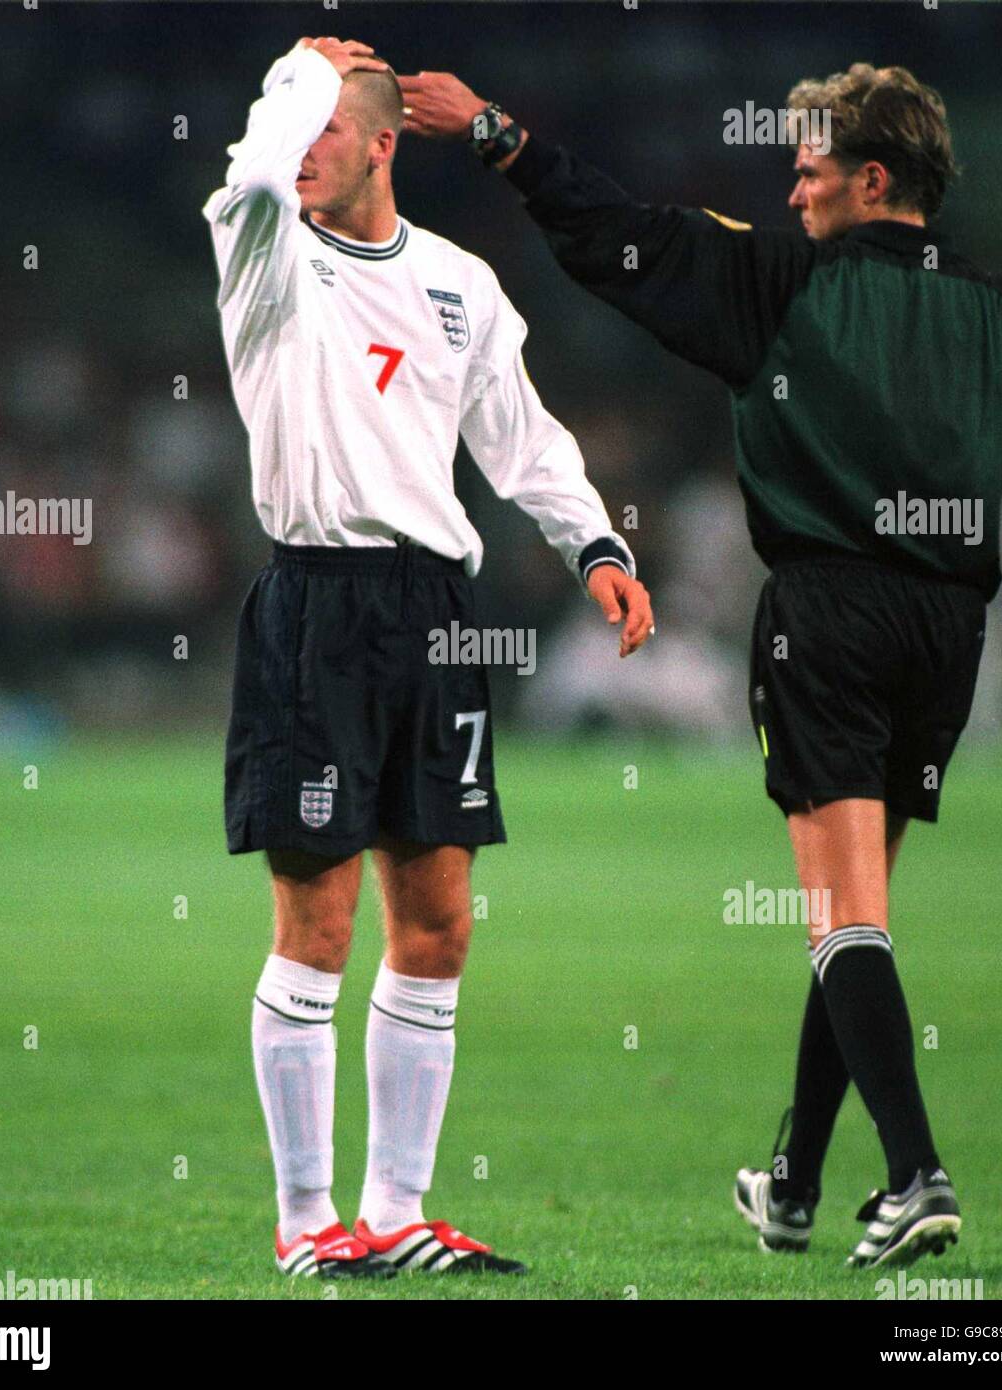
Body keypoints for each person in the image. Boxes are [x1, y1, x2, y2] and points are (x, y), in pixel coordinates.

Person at [399, 61, 1002, 1269]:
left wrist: (496, 134)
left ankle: (913, 1173)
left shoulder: (780, 281)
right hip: (947, 638)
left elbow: (615, 237)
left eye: (809, 164)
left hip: (826, 614)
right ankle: (797, 1183)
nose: (791, 183)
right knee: (852, 913)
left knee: (840, 918)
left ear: (871, 180)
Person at [203, 36, 654, 1280]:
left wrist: (594, 544)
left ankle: (395, 1210)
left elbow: (519, 435)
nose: (302, 154)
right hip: (316, 608)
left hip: (433, 616)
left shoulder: (458, 283)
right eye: (295, 130)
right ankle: (306, 1221)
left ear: (384, 144)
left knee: (440, 922)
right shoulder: (267, 255)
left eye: (329, 134)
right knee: (317, 923)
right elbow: (247, 162)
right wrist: (297, 63)